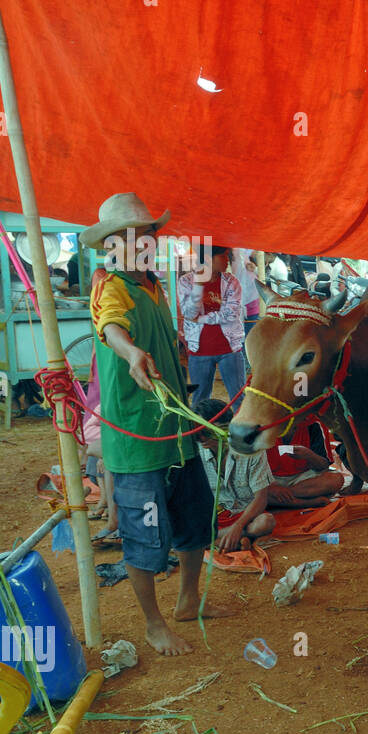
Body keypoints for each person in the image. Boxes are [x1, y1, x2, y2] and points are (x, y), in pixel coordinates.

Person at [83, 192, 228, 656]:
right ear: (114, 243)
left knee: (193, 519)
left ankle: (187, 601)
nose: (146, 241)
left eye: (148, 234)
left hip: (175, 429)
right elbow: (111, 327)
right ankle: (153, 624)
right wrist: (131, 354)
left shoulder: (153, 285)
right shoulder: (111, 285)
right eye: (136, 235)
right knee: (144, 537)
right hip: (137, 436)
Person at [194, 398, 276, 552]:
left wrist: (237, 527)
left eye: (207, 431)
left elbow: (261, 499)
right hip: (216, 515)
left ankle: (213, 540)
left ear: (227, 428)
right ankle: (237, 539)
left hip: (246, 514)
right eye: (197, 432)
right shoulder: (196, 452)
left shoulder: (251, 449)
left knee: (266, 522)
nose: (201, 438)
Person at [178, 242, 246, 412]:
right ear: (208, 258)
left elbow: (230, 314)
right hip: (199, 351)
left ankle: (241, 436)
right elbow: (188, 312)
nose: (227, 259)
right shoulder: (186, 281)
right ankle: (200, 435)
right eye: (223, 255)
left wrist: (200, 319)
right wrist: (199, 285)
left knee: (239, 397)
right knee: (200, 398)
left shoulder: (232, 282)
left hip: (230, 349)